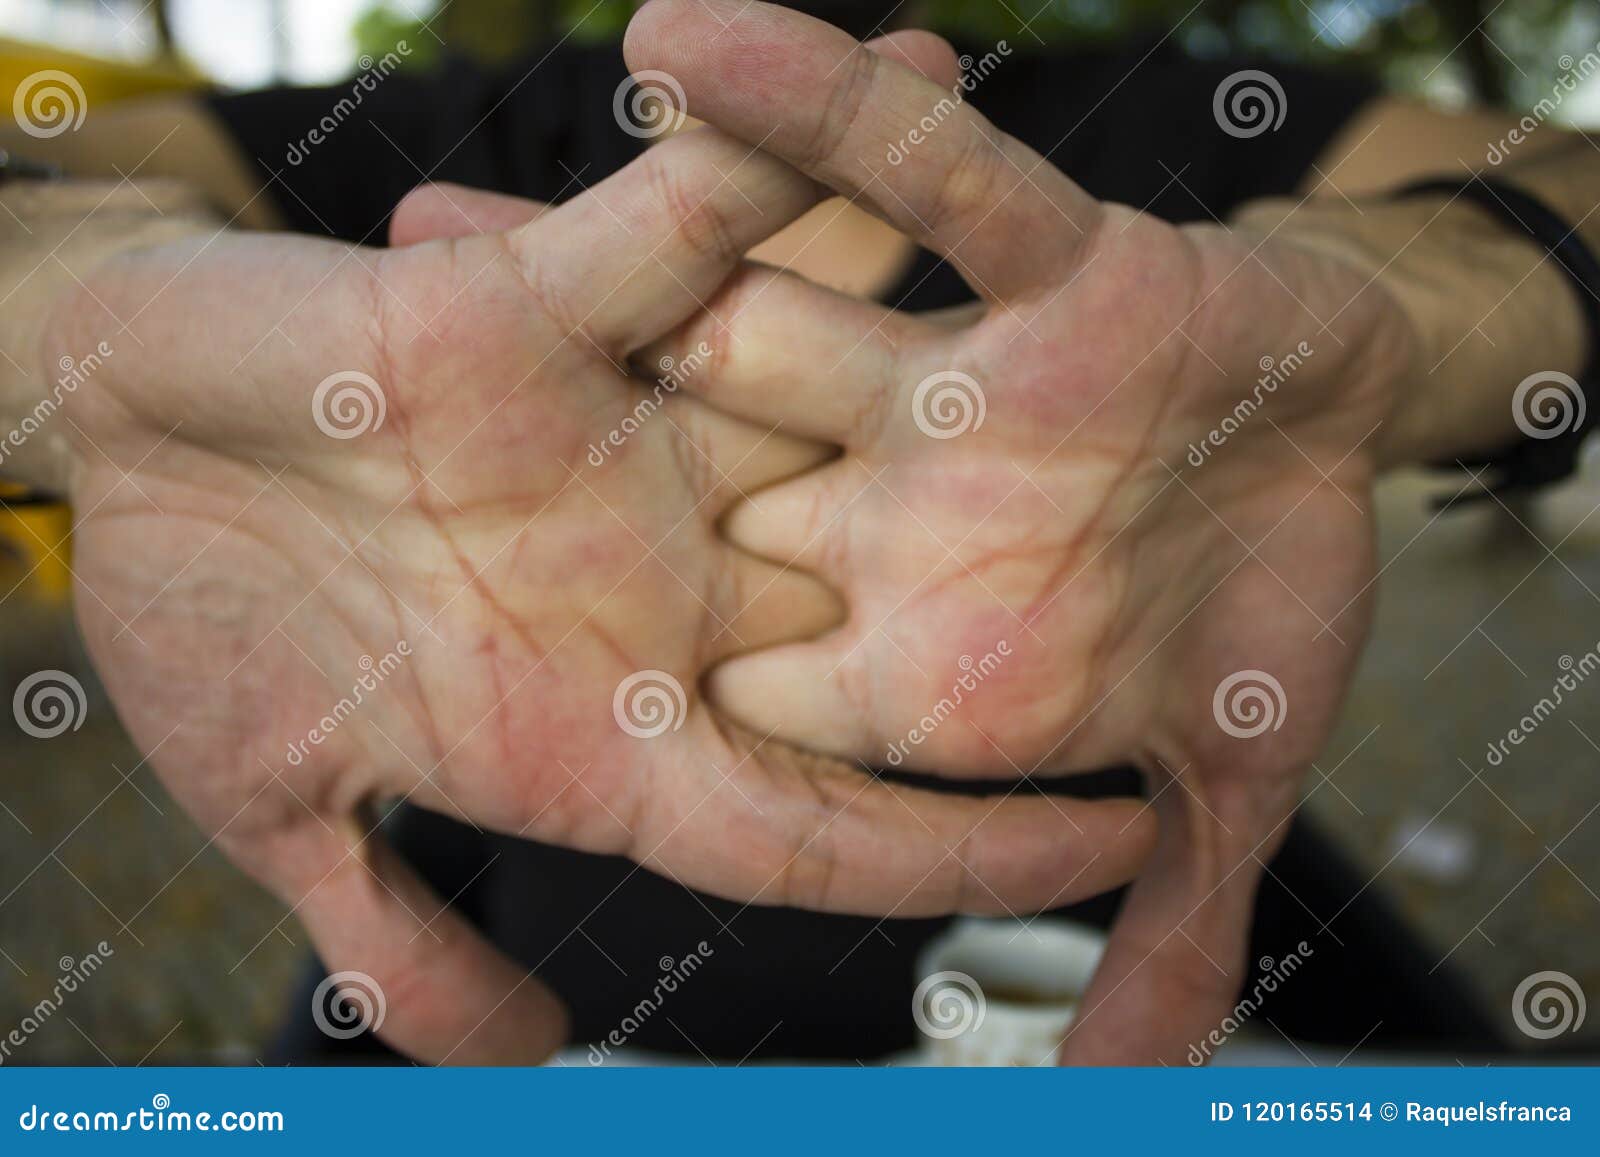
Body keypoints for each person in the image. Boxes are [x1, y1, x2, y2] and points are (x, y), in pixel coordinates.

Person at [0, 0, 1592, 1065]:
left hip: (1140, 867)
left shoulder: (1153, 110)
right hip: (520, 897)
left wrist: (1384, 323)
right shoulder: (447, 125)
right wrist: (74, 322)